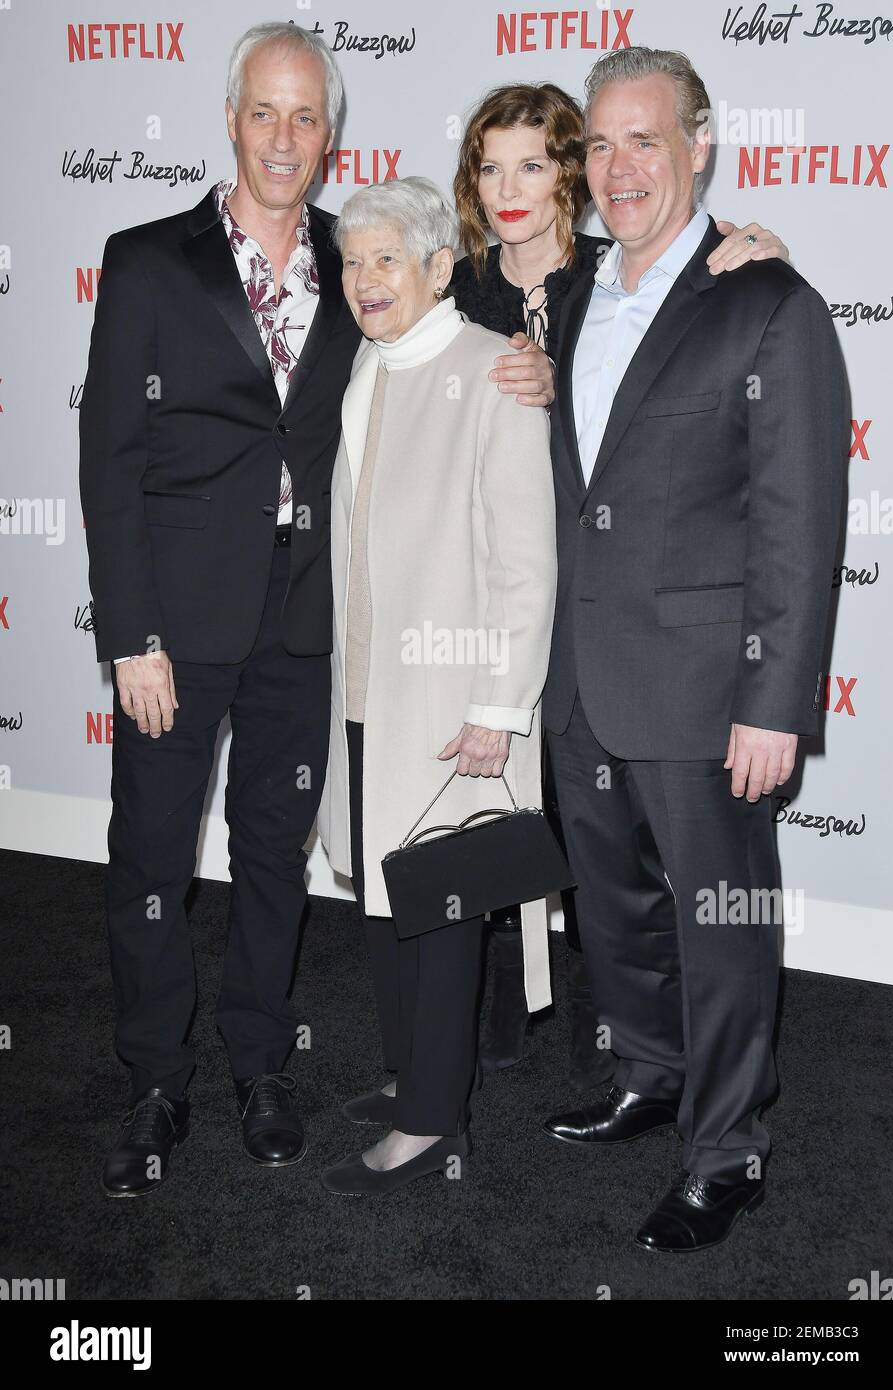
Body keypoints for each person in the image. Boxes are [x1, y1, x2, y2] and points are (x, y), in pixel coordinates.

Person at [79, 21, 554, 1198]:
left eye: (306, 118)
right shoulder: (146, 260)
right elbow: (109, 461)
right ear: (230, 119)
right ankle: (153, 1081)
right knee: (149, 855)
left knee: (273, 861)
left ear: (329, 135)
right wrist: (129, 634)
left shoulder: (364, 257)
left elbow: (474, 297)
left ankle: (259, 1066)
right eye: (263, 112)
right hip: (172, 638)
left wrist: (542, 350)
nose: (284, 138)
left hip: (308, 632)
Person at [541, 47, 847, 1251]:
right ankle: (649, 1075)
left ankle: (727, 1152)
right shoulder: (569, 295)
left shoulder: (770, 301)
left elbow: (800, 523)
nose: (620, 170)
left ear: (699, 145)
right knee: (612, 912)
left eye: (645, 141)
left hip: (707, 687)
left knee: (722, 922)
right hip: (583, 679)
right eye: (601, 146)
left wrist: (774, 702)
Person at [449, 80, 790, 1085]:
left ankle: (695, 1104)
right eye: (489, 165)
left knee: (665, 880)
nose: (511, 187)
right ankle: (557, 1044)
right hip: (514, 625)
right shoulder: (453, 285)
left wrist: (760, 254)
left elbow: (724, 356)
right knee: (556, 855)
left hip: (641, 633)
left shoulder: (627, 273)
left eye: (538, 162)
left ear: (571, 176)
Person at [317, 176, 557, 1196]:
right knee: (388, 902)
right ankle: (414, 1072)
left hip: (457, 703)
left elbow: (526, 557)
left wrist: (499, 705)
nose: (365, 280)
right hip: (369, 690)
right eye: (351, 260)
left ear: (435, 268)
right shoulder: (366, 369)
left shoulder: (491, 370)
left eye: (386, 260)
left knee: (443, 905)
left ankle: (433, 1124)